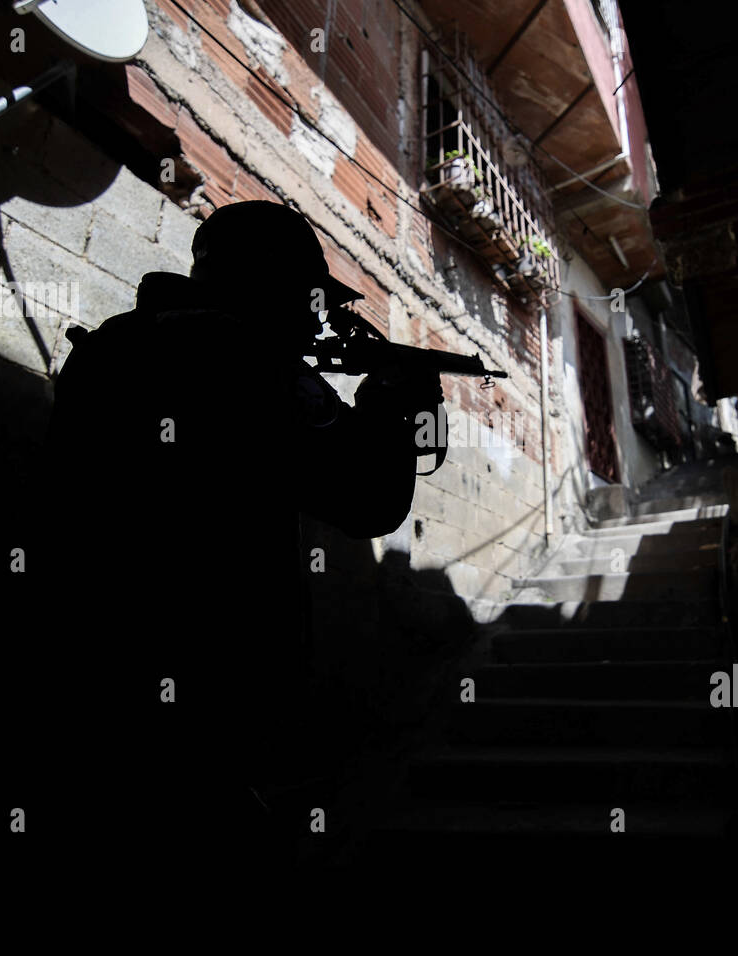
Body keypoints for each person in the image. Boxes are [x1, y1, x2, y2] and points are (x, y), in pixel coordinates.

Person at [41, 201, 443, 897]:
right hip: (208, 683)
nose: (312, 319)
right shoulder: (250, 358)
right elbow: (367, 499)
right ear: (274, 287)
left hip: (87, 657)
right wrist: (391, 402)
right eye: (305, 300)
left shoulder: (118, 342)